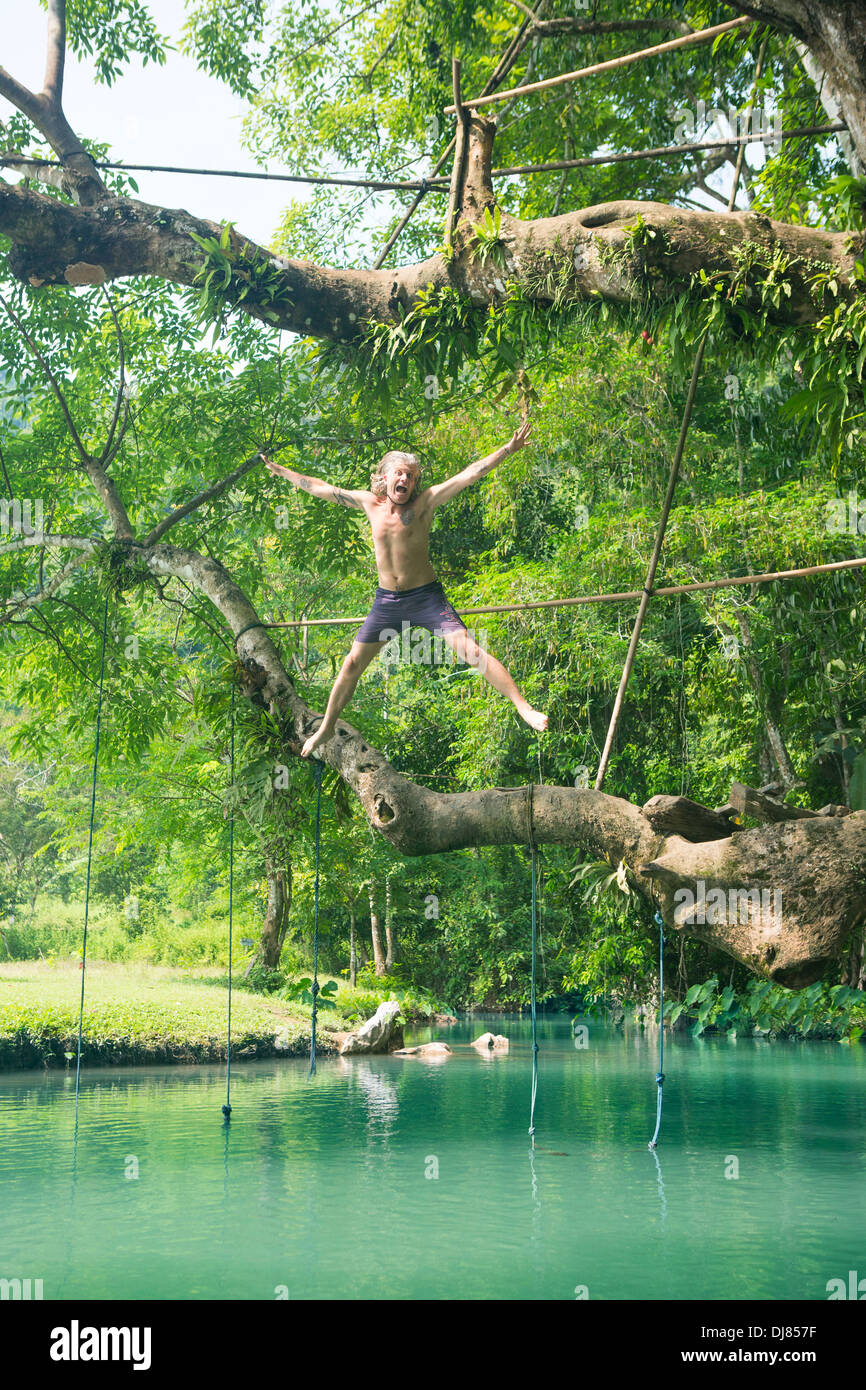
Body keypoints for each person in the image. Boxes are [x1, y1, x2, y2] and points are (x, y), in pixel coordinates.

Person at [262, 422, 548, 758]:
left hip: (426, 598)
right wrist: (283, 472)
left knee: (470, 650)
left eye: (411, 476)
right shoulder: (369, 503)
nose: (406, 481)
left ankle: (522, 706)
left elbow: (469, 474)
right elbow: (321, 488)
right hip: (388, 603)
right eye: (400, 474)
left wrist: (508, 450)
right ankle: (325, 728)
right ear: (385, 477)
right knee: (352, 663)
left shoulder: (425, 502)